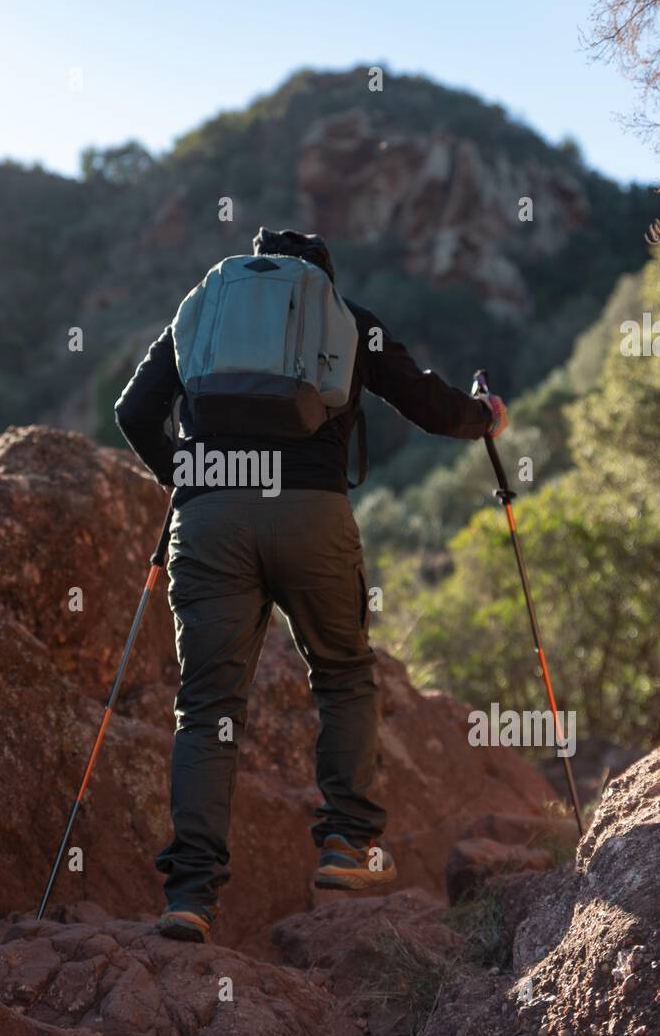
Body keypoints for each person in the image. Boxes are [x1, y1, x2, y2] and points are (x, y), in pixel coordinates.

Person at [115, 227, 508, 943]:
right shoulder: (347, 318)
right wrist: (485, 416)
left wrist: (191, 476)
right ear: (318, 280)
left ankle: (191, 896)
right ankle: (345, 846)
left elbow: (133, 413)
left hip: (211, 521)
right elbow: (428, 405)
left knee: (206, 709)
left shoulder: (201, 311)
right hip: (311, 515)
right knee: (342, 675)